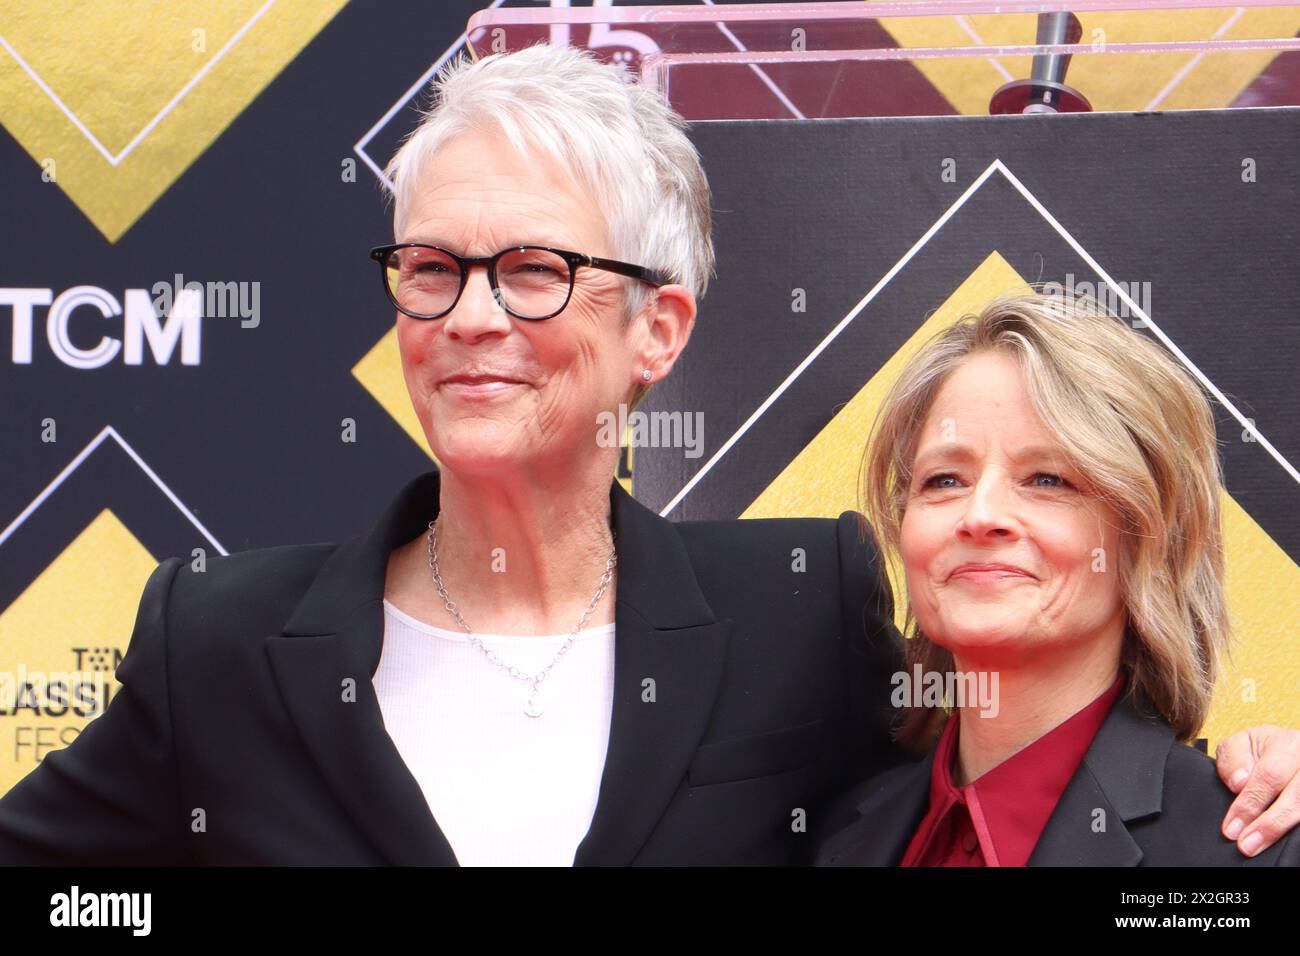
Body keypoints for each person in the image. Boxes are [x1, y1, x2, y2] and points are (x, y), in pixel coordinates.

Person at [0, 45, 1295, 866]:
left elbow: (1029, 770)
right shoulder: (220, 639)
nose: (471, 317)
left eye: (534, 270)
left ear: (657, 327)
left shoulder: (800, 609)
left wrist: (1255, 779)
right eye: (434, 268)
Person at [818, 292, 1298, 866]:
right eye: (944, 480)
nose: (980, 515)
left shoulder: (1255, 851)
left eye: (1048, 479)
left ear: (1148, 535)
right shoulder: (835, 836)